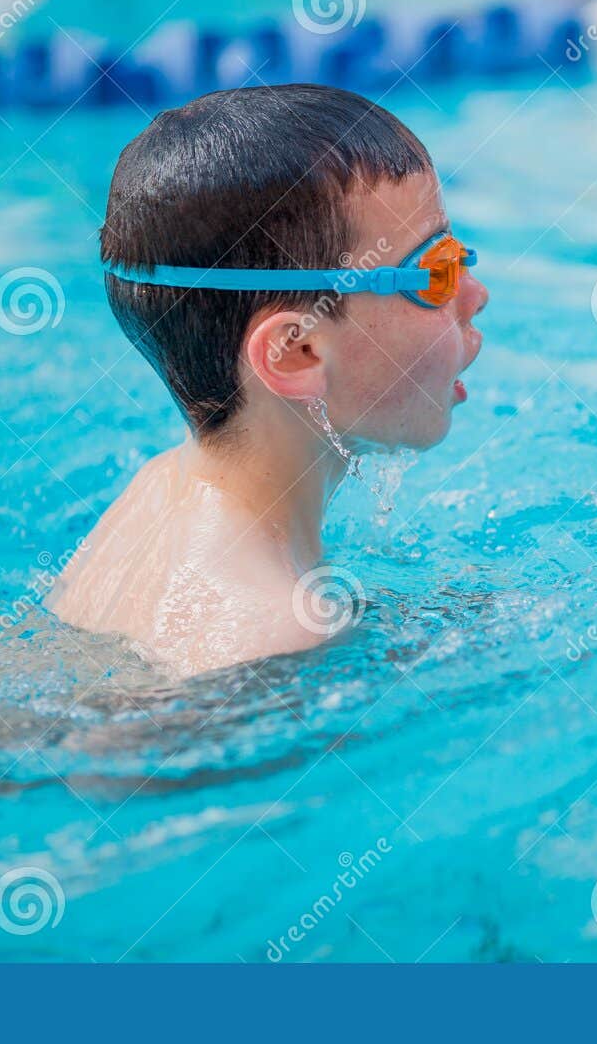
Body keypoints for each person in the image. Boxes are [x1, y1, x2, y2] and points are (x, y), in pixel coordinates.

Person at [47, 84, 487, 676]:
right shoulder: (275, 639)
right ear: (296, 350)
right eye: (435, 272)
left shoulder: (168, 485)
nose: (475, 295)